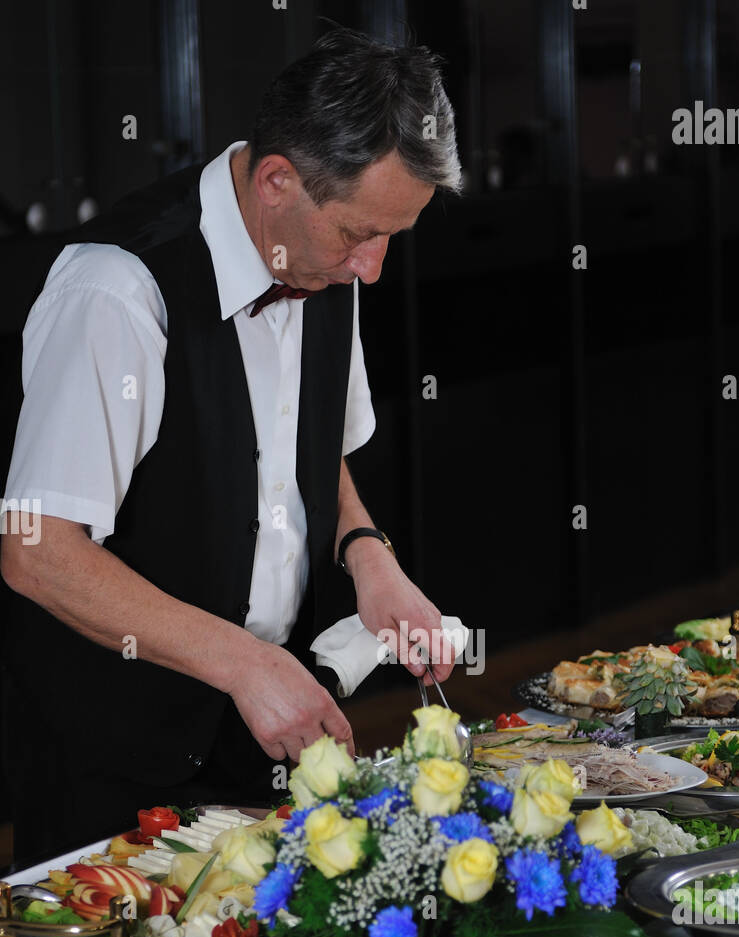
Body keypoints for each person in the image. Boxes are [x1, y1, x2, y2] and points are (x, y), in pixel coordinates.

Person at [0, 27, 462, 869]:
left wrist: (368, 556)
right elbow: (37, 553)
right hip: (114, 758)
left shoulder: (327, 261)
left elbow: (303, 446)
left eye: (395, 234)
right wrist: (246, 664)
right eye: (360, 233)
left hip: (257, 732)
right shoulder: (118, 287)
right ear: (278, 179)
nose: (373, 269)